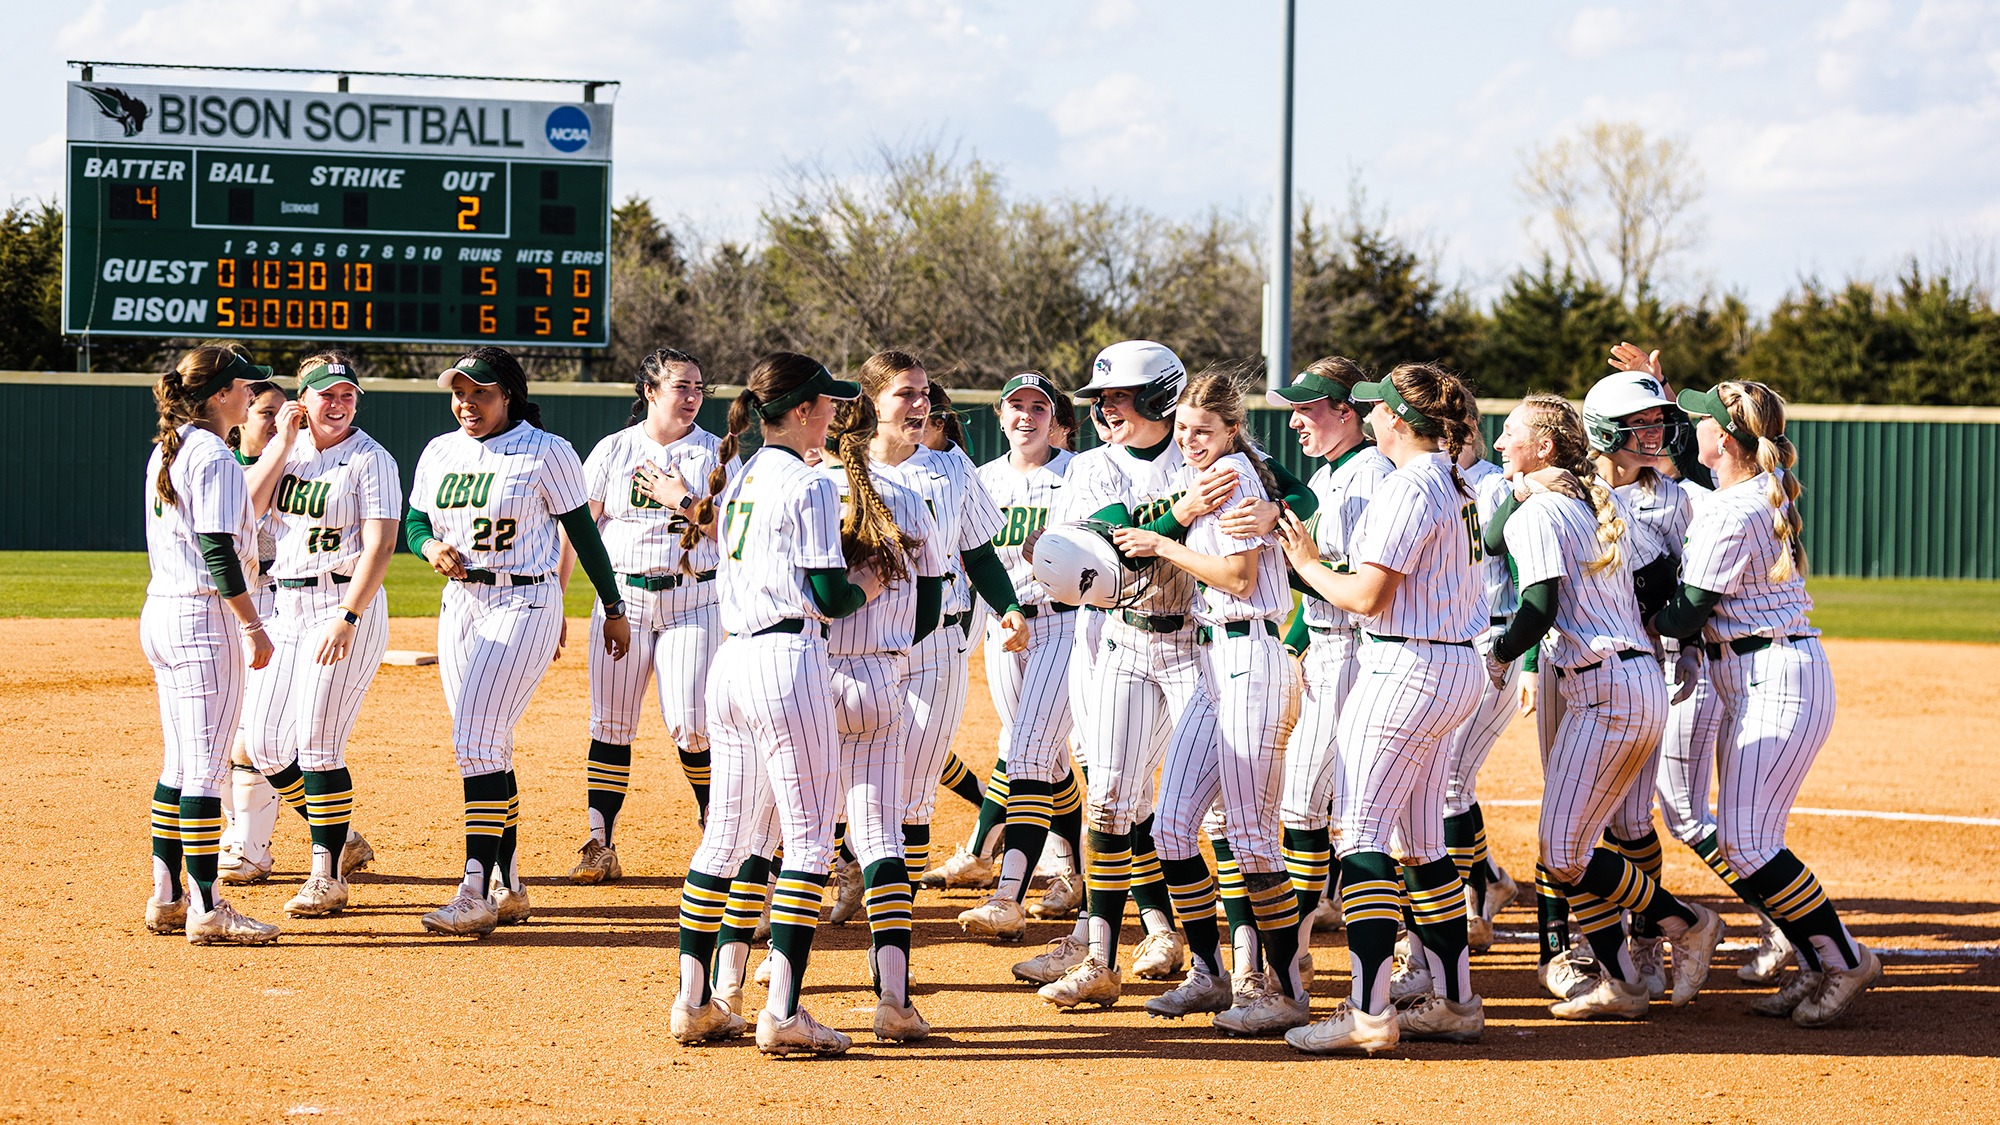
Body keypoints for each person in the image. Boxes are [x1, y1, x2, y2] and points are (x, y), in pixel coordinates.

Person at [1034, 342, 1318, 1010]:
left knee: (1229, 821)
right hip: (1128, 641)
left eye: (1120, 397)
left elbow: (1301, 494)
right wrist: (1181, 513)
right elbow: (1111, 549)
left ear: (1162, 397)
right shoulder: (1095, 467)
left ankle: (1249, 971)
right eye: (1101, 399)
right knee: (1111, 798)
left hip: (1206, 645)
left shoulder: (1220, 454)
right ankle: (1102, 956)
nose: (1106, 410)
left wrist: (1276, 511)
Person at [1482, 393, 1723, 1020]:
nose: (1500, 443)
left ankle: (1684, 921)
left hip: (1605, 691)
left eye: (1511, 435)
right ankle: (1621, 979)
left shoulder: (1542, 514)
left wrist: (1499, 654)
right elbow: (1658, 578)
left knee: (1562, 852)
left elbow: (1535, 610)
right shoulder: (1598, 500)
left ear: (1544, 446)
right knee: (1577, 845)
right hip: (1631, 677)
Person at [1652, 380, 1880, 1028]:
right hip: (1751, 673)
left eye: (1698, 422)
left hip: (1772, 675)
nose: (1689, 430)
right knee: (1751, 839)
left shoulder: (1732, 509)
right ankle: (1815, 959)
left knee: (1748, 842)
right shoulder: (1746, 492)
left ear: (1722, 440)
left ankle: (1844, 957)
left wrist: (1641, 604)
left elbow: (1686, 612)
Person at [668, 353, 877, 1057]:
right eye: (825, 405)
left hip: (729, 664)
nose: (834, 415)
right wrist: (868, 583)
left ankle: (695, 1003)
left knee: (723, 840)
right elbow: (826, 595)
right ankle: (783, 1012)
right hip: (787, 662)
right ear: (798, 410)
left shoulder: (743, 473)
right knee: (811, 841)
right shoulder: (810, 481)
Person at [1275, 363, 1486, 1054]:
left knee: (1362, 838)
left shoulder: (1408, 485)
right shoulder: (1452, 480)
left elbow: (1366, 596)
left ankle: (1367, 1012)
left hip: (1404, 666)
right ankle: (1456, 1000)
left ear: (1397, 418)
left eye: (1376, 407)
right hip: (1449, 663)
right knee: (1424, 845)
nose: (1369, 415)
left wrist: (1305, 563)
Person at [405, 347, 631, 937]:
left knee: (474, 738)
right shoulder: (441, 450)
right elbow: (416, 521)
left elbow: (583, 534)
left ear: (507, 395)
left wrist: (612, 607)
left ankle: (474, 888)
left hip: (524, 599)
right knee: (488, 745)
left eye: (480, 392)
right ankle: (508, 886)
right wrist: (429, 547)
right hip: (461, 603)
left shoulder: (547, 451)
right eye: (459, 392)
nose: (466, 403)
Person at [1109, 371, 1309, 1035]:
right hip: (1216, 658)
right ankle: (1210, 973)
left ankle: (1283, 989)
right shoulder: (1221, 473)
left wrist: (1163, 540)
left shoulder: (1235, 475)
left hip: (1252, 655)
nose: (1192, 439)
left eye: (1205, 429)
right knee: (1171, 827)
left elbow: (1239, 576)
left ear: (1231, 429)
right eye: (1186, 428)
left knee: (1251, 837)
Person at [1594, 346, 1798, 986]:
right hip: (1679, 666)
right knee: (1657, 815)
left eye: (1663, 420)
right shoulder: (1693, 491)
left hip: (1692, 667)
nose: (1657, 431)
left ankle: (1779, 922)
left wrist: (1660, 397)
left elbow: (1685, 601)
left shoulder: (1697, 499)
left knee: (1684, 813)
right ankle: (1662, 934)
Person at [232, 354, 400, 917]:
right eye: (326, 395)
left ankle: (326, 875)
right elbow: (245, 512)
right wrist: (279, 444)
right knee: (264, 744)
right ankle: (344, 838)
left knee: (318, 744)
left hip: (344, 602)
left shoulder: (372, 459)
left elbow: (380, 546)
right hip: (288, 604)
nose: (338, 404)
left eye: (347, 395)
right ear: (302, 400)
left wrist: (348, 617)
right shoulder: (286, 451)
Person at [851, 352, 1025, 894]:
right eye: (906, 393)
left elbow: (979, 553)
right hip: (863, 642)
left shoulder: (952, 466)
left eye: (924, 393)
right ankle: (847, 866)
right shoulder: (842, 467)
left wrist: (1009, 606)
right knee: (840, 775)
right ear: (873, 401)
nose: (920, 403)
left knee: (916, 783)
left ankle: (895, 914)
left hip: (940, 644)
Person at [567, 348, 725, 883]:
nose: (693, 396)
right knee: (610, 721)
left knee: (693, 724)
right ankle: (599, 841)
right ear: (651, 391)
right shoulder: (614, 450)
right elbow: (581, 528)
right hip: (623, 602)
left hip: (695, 599)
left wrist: (683, 501)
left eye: (700, 387)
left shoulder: (718, 454)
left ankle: (716, 828)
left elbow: (735, 533)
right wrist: (558, 601)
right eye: (681, 386)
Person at [139, 345, 280, 944]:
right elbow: (220, 551)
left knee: (178, 764)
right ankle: (207, 908)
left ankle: (167, 896)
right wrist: (251, 623)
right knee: (203, 770)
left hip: (163, 612)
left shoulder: (169, 449)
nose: (253, 395)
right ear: (221, 394)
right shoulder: (214, 457)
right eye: (246, 386)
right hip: (203, 618)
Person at [1265, 358, 1394, 968]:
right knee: (1343, 808)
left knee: (1310, 805)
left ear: (1348, 411)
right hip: (1328, 645)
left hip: (1353, 651)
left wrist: (1295, 565)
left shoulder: (1366, 477)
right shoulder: (1338, 475)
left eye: (1307, 407)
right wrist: (1297, 639)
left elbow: (1360, 581)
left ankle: (1293, 951)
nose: (1294, 420)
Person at [955, 373, 1085, 940]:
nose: (1027, 416)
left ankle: (1007, 890)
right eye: (1016, 407)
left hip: (1063, 625)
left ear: (1055, 419)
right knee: (1046, 759)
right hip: (1001, 627)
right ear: (1000, 416)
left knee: (1027, 747)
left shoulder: (1077, 473)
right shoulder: (980, 480)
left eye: (1039, 407)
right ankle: (1072, 873)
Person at [216, 376, 288, 883]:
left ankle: (247, 847)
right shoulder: (225, 469)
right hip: (232, 606)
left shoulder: (303, 469)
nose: (281, 422)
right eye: (267, 412)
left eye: (288, 413)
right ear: (242, 416)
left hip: (281, 606)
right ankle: (336, 831)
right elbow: (246, 511)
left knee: (255, 734)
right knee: (223, 732)